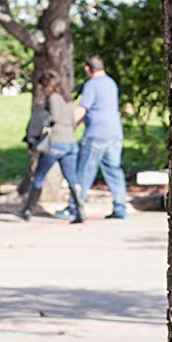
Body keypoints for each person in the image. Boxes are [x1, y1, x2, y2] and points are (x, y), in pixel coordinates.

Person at [62, 53, 127, 223]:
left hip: (96, 133)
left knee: (84, 171)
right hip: (114, 133)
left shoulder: (91, 84)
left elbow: (82, 108)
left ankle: (74, 207)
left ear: (87, 69)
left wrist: (68, 127)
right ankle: (120, 208)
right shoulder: (111, 83)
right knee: (114, 170)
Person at [19, 77, 75, 217]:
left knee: (39, 176)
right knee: (72, 178)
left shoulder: (54, 97)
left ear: (47, 86)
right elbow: (73, 121)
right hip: (70, 142)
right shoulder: (68, 100)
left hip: (56, 141)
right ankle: (80, 209)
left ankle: (28, 208)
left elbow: (54, 117)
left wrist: (41, 124)